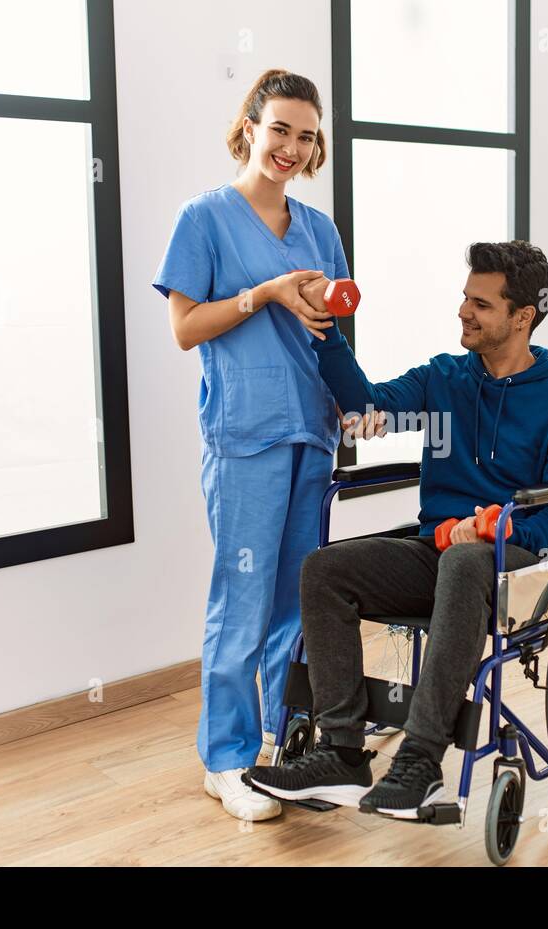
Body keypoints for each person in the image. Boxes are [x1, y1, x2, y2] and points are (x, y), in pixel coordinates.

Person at [247, 240, 548, 818]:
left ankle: (420, 761)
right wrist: (328, 327)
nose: (464, 311)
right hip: (437, 551)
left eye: (481, 305)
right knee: (324, 568)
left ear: (522, 317)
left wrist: (492, 530)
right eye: (465, 298)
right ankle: (340, 750)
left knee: (465, 562)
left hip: (520, 567)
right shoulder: (445, 380)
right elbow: (367, 408)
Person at [152, 69, 369, 822]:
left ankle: (287, 747)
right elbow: (184, 330)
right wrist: (264, 294)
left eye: (307, 136)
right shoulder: (204, 218)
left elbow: (332, 336)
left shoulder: (320, 229)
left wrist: (358, 404)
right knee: (240, 603)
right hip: (245, 434)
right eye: (280, 129)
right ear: (250, 127)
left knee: (296, 602)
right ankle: (228, 759)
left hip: (311, 432)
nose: (291, 147)